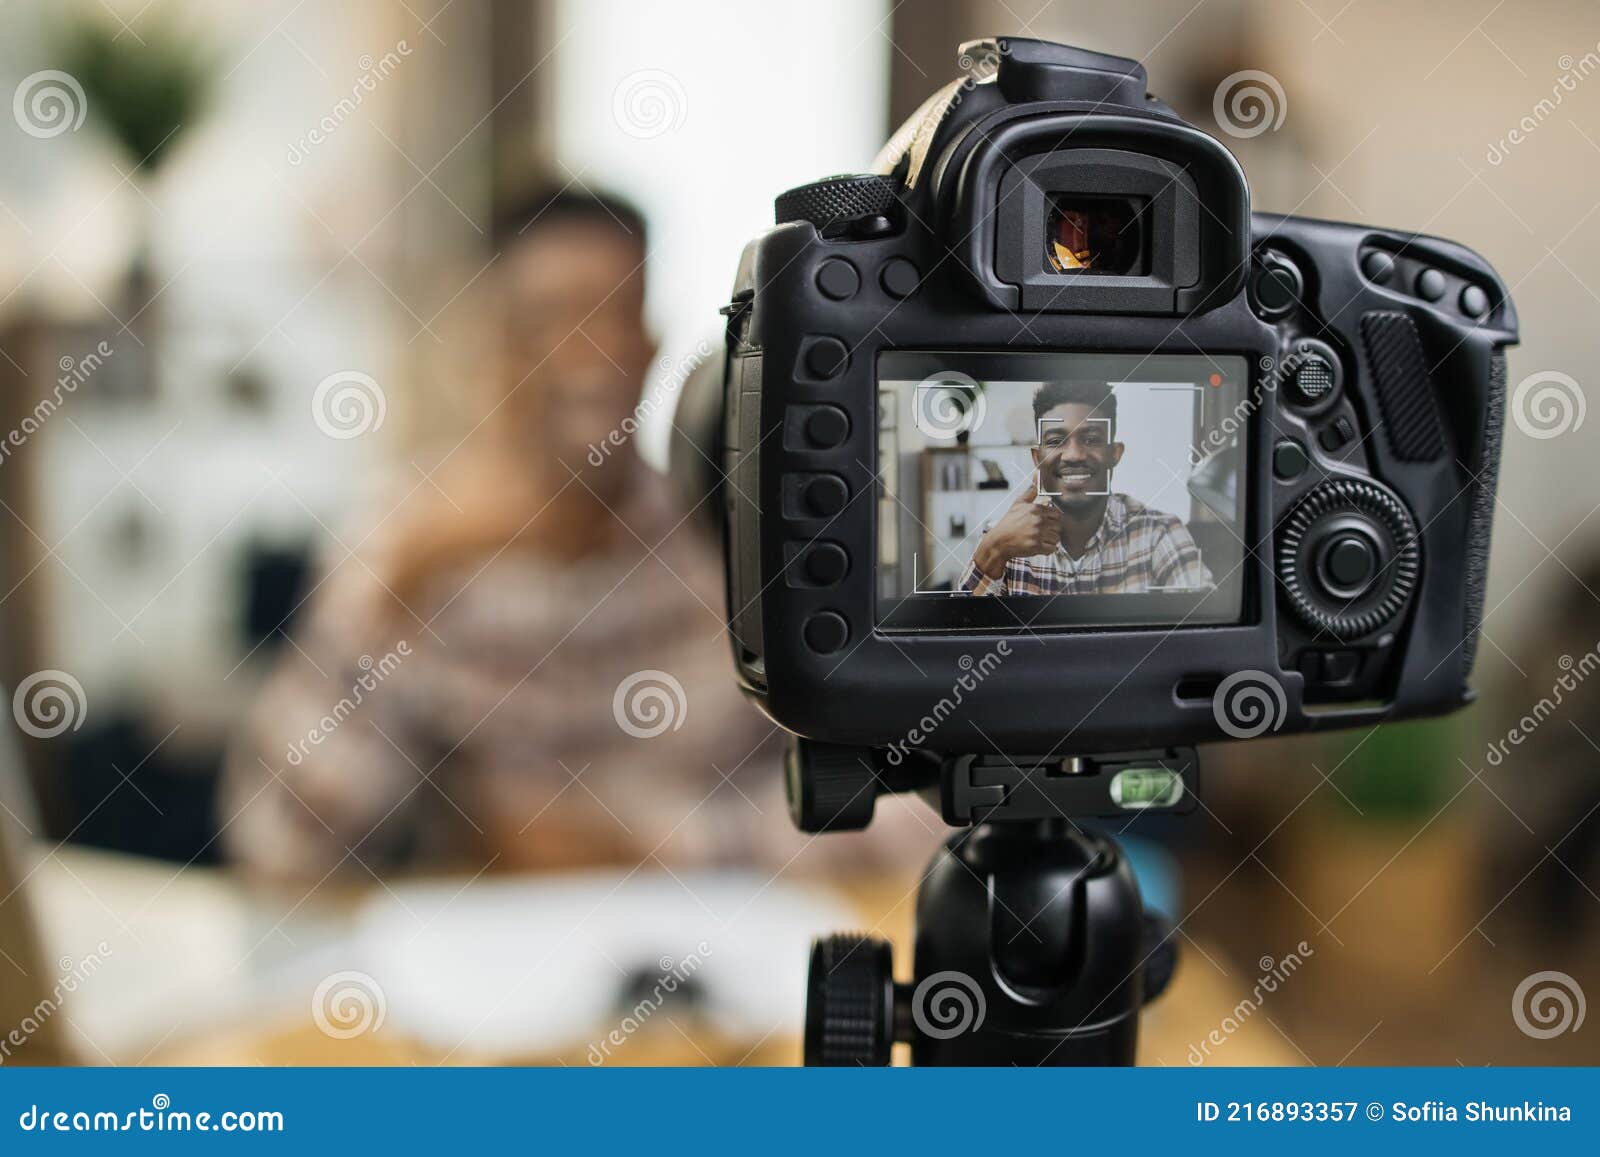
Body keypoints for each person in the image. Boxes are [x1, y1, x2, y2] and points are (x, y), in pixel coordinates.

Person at [221, 185, 809, 880]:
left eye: (613, 315)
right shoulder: (403, 535)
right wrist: (395, 599)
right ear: (491, 350)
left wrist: (630, 847)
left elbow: (880, 811)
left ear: (652, 344)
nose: (587, 355)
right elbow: (281, 847)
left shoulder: (724, 536)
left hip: (700, 957)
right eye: (547, 320)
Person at [959, 380, 1212, 595]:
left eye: (1091, 439)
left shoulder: (1158, 533)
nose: (1074, 455)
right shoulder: (1003, 541)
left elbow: (1208, 634)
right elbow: (956, 641)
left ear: (1115, 453)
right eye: (1057, 440)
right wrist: (993, 550)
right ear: (1037, 458)